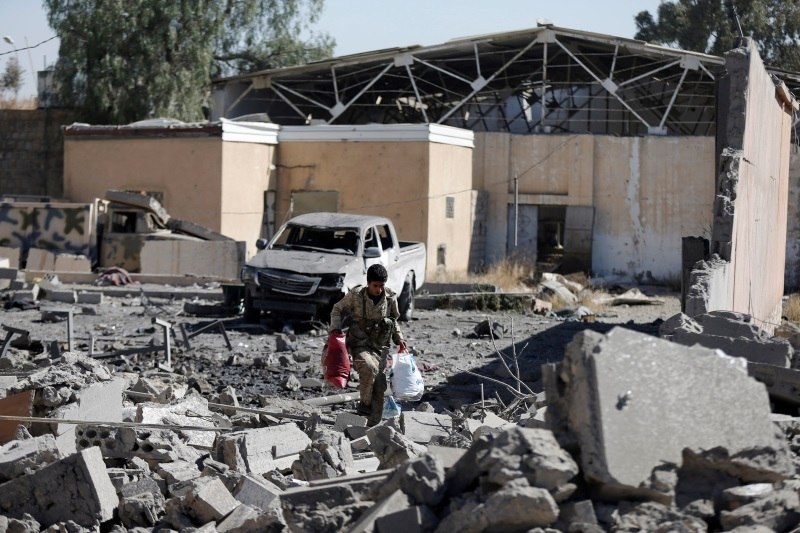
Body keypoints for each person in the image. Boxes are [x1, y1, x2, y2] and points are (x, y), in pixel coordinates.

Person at [329, 264, 407, 421]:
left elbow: (394, 321)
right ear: (368, 283)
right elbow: (337, 309)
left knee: (380, 384)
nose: (379, 289)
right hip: (359, 343)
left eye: (381, 286)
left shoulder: (390, 298)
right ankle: (364, 406)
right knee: (368, 368)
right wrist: (336, 330)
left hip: (380, 347)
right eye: (375, 286)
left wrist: (400, 340)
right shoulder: (356, 295)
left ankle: (372, 424)